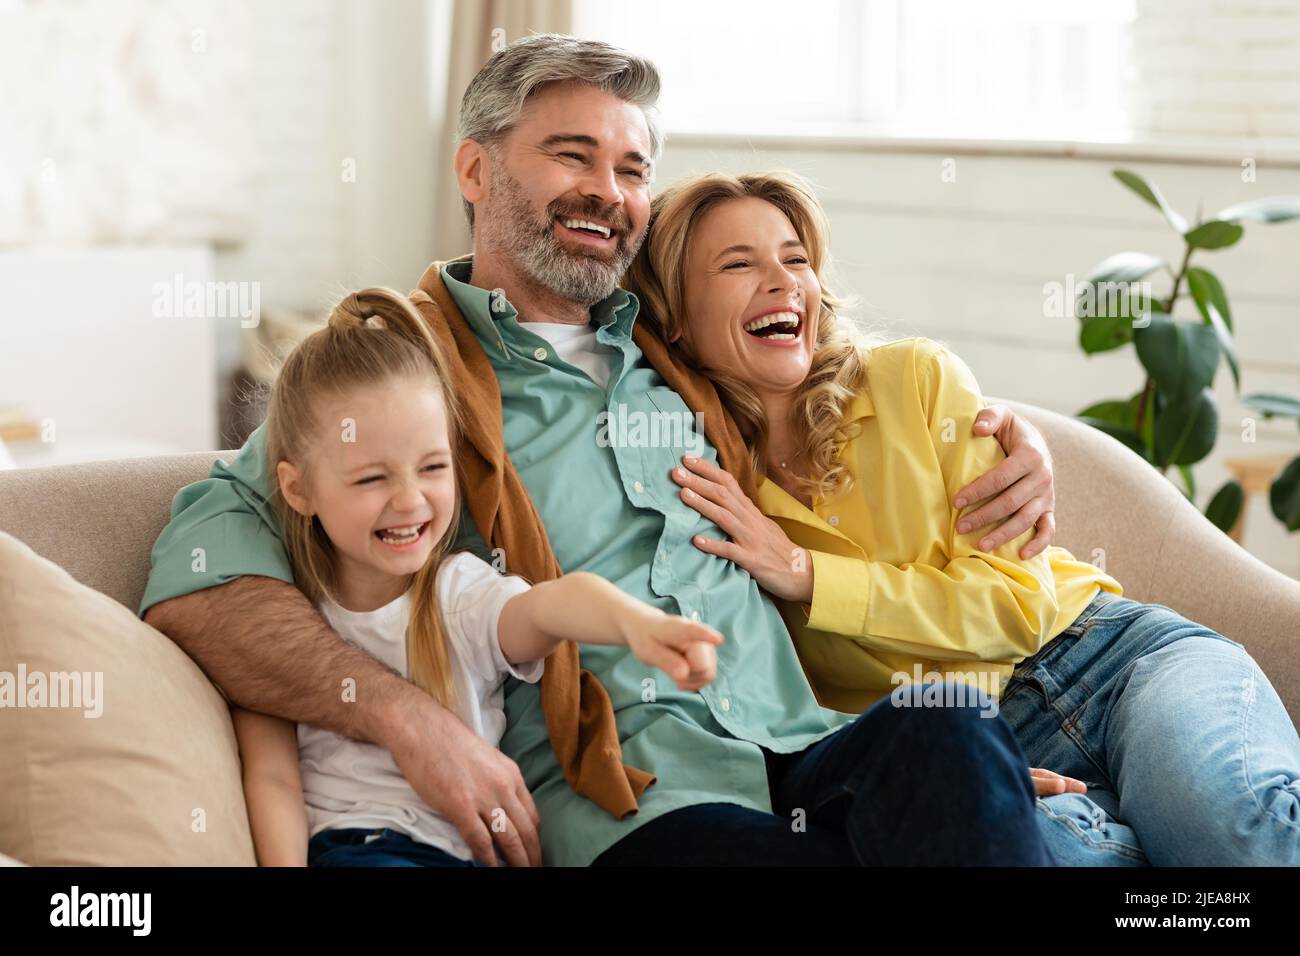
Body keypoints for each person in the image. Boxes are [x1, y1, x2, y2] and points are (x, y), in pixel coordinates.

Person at [140, 35, 1060, 866]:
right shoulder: (401, 375)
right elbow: (196, 580)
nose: (608, 192)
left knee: (954, 728)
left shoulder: (677, 342)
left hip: (801, 746)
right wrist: (402, 715)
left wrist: (1013, 435)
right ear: (474, 169)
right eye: (570, 155)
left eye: (632, 168)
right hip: (643, 805)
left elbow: (833, 373)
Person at [624, 168, 1300, 866]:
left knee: (1229, 833)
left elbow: (1014, 604)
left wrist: (807, 574)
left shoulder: (913, 379)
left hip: (1114, 662)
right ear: (674, 312)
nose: (783, 280)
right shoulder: (697, 484)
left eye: (795, 258)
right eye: (739, 263)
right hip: (975, 746)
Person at [232, 288, 722, 866]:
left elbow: (551, 607)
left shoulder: (456, 595)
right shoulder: (286, 628)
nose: (410, 500)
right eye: (371, 480)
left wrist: (638, 624)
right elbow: (272, 782)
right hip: (358, 850)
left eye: (433, 467)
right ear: (298, 489)